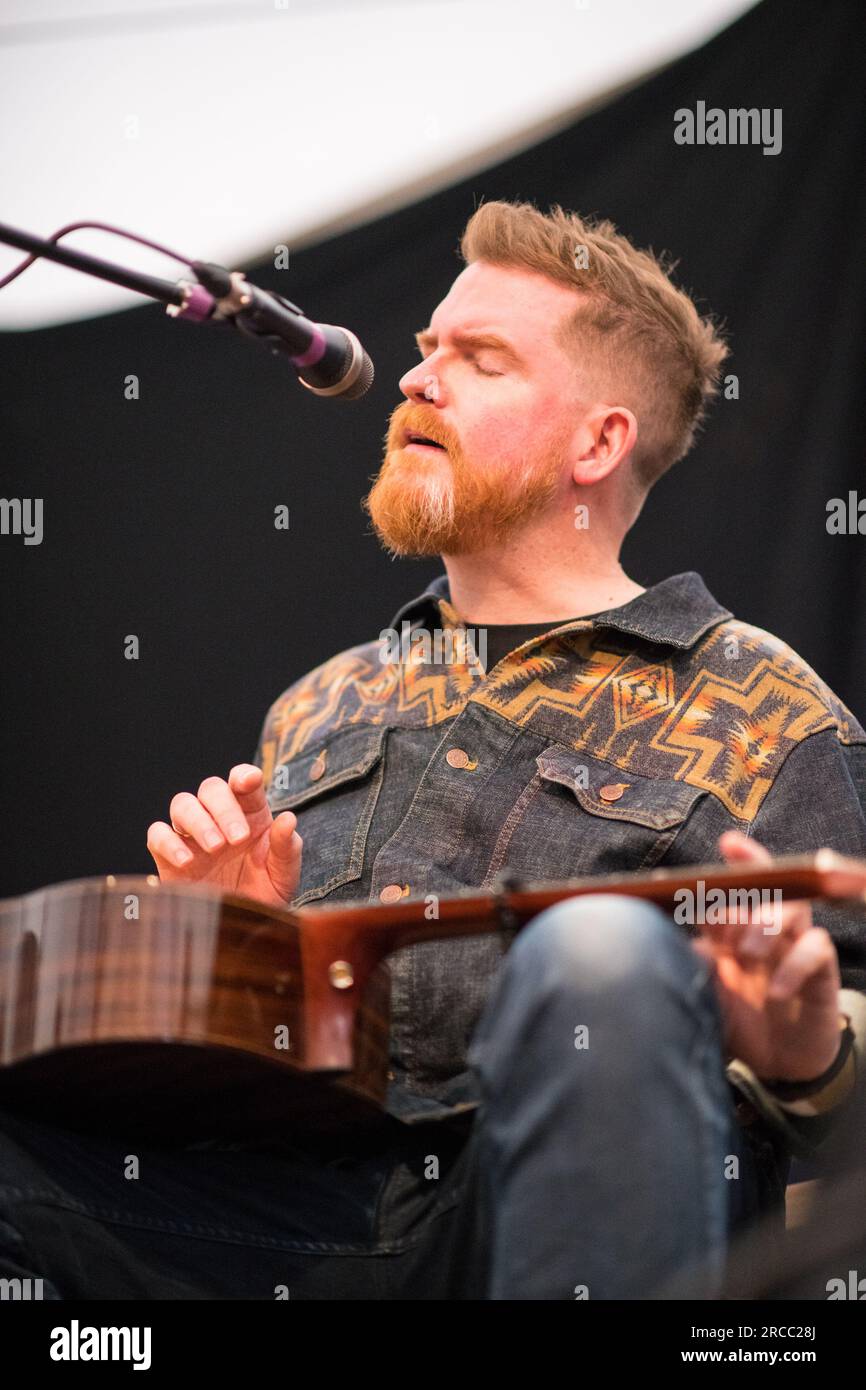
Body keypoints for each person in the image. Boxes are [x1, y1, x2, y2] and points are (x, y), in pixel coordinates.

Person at [2, 201, 864, 1300]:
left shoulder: (767, 707)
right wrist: (238, 954)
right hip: (294, 1220)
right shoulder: (316, 704)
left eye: (481, 360)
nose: (416, 381)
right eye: (424, 353)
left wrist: (804, 1054)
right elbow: (277, 1062)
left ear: (598, 442)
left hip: (560, 1215)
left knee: (598, 961)